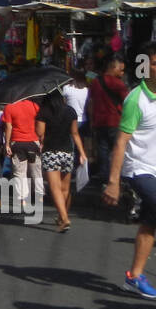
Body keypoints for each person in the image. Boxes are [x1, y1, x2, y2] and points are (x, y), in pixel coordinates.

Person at [103, 43, 156, 300]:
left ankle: (134, 276)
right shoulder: (135, 100)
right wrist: (113, 182)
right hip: (140, 170)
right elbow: (121, 142)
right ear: (144, 67)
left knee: (151, 222)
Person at [36, 87, 86, 232]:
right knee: (65, 188)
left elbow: (40, 134)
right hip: (68, 151)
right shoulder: (70, 111)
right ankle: (60, 216)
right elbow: (75, 133)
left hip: (51, 151)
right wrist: (82, 152)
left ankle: (64, 218)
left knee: (55, 187)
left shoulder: (44, 112)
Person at [88, 53, 128, 180]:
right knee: (117, 148)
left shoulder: (95, 81)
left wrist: (92, 120)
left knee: (103, 149)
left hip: (99, 122)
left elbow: (91, 102)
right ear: (113, 68)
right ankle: (116, 176)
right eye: (121, 70)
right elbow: (127, 102)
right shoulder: (118, 84)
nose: (122, 73)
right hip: (115, 122)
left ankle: (104, 174)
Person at [3, 94, 42, 209]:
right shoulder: (35, 106)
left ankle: (23, 199)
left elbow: (8, 127)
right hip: (34, 141)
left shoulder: (9, 107)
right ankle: (39, 196)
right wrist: (42, 140)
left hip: (17, 142)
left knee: (20, 172)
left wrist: (7, 144)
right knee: (36, 170)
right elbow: (39, 124)